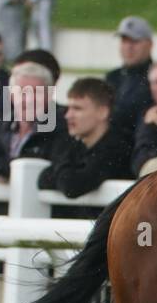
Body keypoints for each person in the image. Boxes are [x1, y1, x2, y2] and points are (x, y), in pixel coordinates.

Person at [37, 78, 132, 216]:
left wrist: (61, 171)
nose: (68, 115)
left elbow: (72, 186)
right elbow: (43, 179)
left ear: (102, 112)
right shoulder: (75, 146)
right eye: (68, 108)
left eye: (77, 108)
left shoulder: (119, 148)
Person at [105, 16, 155, 142]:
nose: (128, 47)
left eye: (134, 41)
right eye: (124, 41)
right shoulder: (112, 77)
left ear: (149, 44)